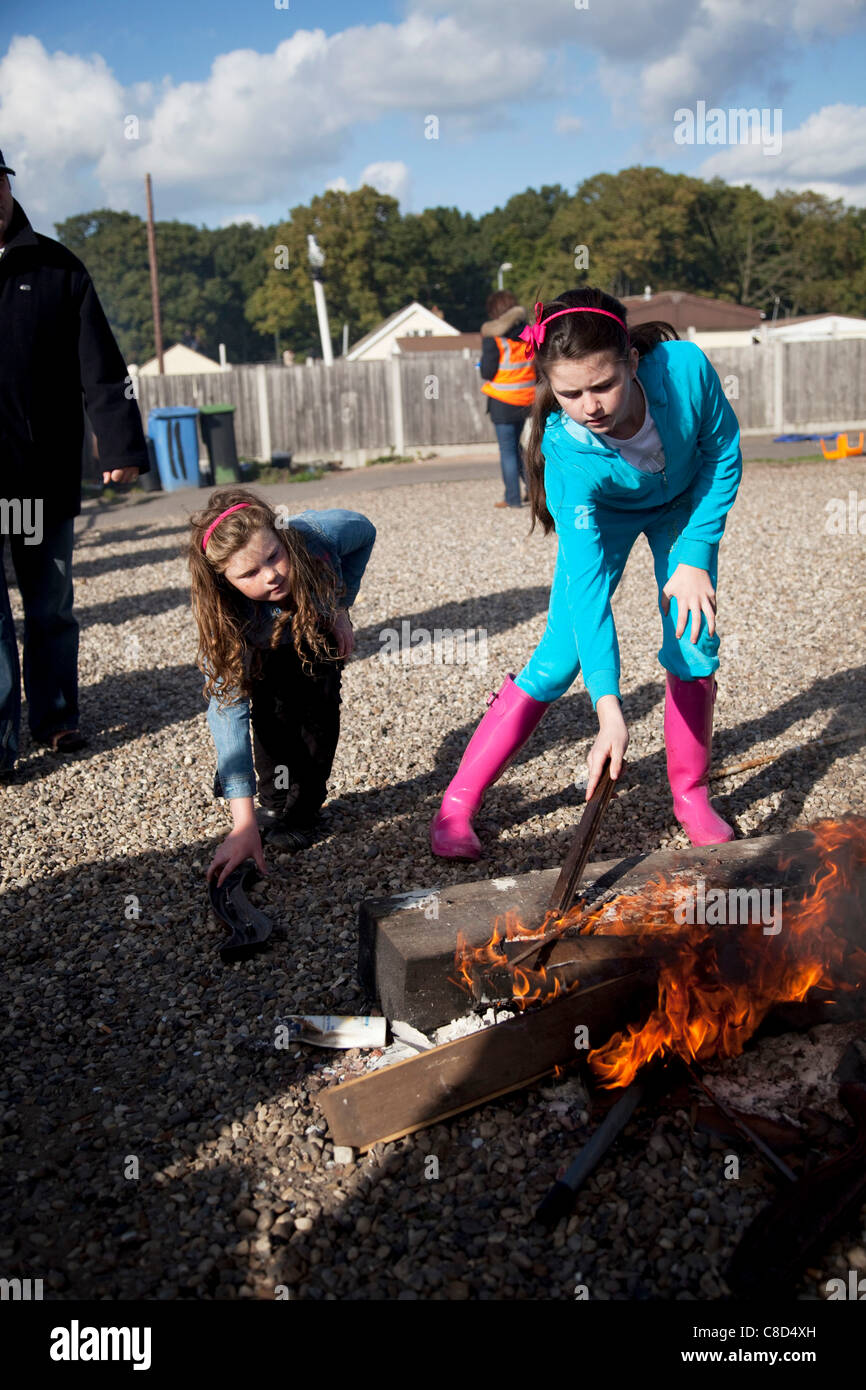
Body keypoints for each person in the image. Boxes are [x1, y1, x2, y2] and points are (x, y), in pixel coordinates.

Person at [431, 285, 743, 859]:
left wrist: (697, 549)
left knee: (694, 638)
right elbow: (588, 590)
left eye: (604, 385)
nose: (590, 406)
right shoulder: (568, 453)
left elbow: (722, 452)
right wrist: (609, 708)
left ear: (631, 359)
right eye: (569, 393)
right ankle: (456, 804)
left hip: (683, 509)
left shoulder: (686, 369)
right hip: (608, 518)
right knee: (558, 661)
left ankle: (692, 796)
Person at [0, 150, 148, 776]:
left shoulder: (58, 267)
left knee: (50, 604)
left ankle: (56, 717)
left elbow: (103, 366)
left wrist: (119, 446)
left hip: (39, 479)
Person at [188, 488, 376, 885]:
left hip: (314, 625)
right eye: (249, 574)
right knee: (271, 720)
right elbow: (229, 719)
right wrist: (243, 822)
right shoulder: (226, 621)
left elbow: (365, 530)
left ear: (281, 535)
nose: (271, 575)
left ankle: (306, 809)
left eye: (273, 556)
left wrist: (340, 606)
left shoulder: (316, 535)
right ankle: (272, 806)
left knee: (317, 719)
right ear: (223, 580)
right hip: (262, 647)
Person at [480, 291, 534, 509]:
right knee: (517, 447)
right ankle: (532, 490)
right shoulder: (530, 334)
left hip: (503, 402)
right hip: (527, 399)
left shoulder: (494, 337)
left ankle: (512, 498)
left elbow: (487, 372)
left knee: (508, 450)